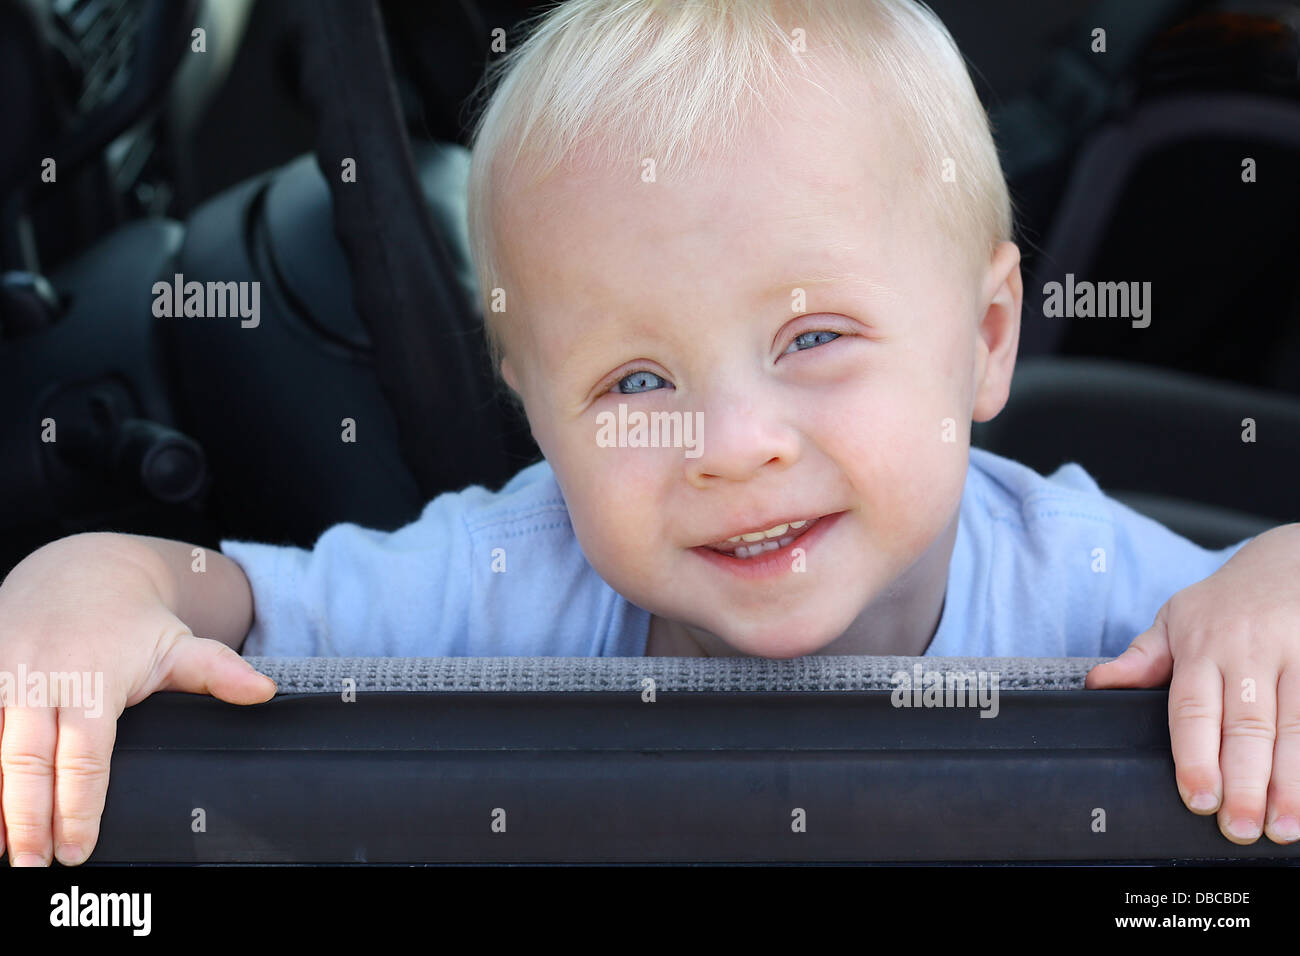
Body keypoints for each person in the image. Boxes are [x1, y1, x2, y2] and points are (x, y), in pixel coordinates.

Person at [2, 0, 1297, 867]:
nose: (732, 445)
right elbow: (230, 601)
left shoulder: (1080, 583)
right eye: (632, 384)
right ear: (535, 409)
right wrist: (87, 584)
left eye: (812, 340)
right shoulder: (512, 574)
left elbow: (1261, 637)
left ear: (988, 337)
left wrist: (1274, 586)